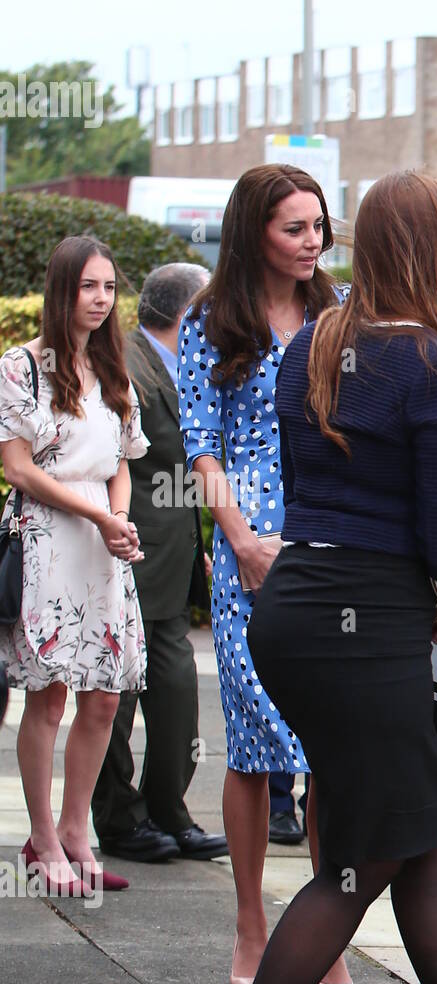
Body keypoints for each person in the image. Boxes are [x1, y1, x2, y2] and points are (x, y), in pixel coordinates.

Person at [195, 169, 437, 984]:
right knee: (360, 859)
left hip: (297, 605)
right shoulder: (432, 364)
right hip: (364, 620)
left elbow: (308, 488)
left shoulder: (314, 345)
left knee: (416, 826)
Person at [179, 163, 353, 984]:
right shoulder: (212, 320)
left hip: (331, 530)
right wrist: (239, 540)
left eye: (318, 225)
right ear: (255, 231)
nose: (312, 241)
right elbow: (199, 442)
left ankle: (326, 934)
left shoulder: (342, 311)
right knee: (253, 742)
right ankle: (250, 922)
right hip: (247, 539)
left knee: (332, 745)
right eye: (294, 227)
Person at [0, 236, 147, 897]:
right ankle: (41, 837)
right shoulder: (21, 366)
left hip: (104, 542)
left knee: (107, 696)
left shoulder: (113, 370)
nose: (101, 299)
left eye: (110, 288)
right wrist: (98, 517)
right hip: (49, 535)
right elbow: (19, 467)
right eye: (89, 286)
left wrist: (118, 520)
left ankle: (75, 830)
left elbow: (121, 464)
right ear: (64, 290)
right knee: (51, 693)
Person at [91, 262, 228, 864]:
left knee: (175, 695)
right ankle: (119, 820)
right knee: (113, 703)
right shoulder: (120, 364)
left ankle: (170, 811)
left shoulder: (187, 366)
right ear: (190, 313)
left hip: (169, 569)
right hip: (121, 562)